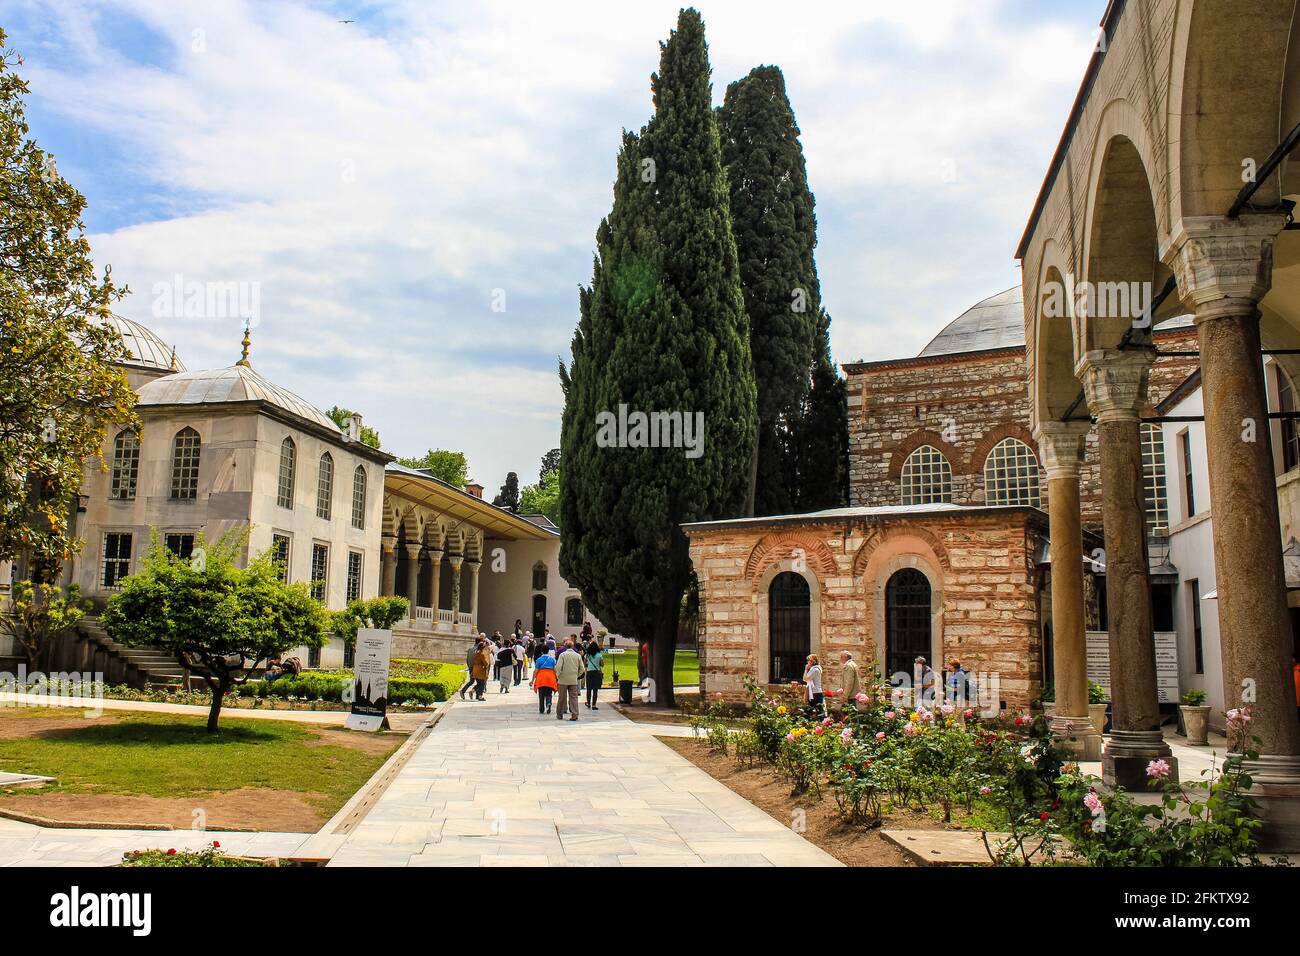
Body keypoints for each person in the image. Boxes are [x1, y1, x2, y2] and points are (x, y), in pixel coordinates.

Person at [554, 637, 583, 721]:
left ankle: (559, 714)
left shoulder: (562, 655)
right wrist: (577, 675)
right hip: (573, 679)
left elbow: (558, 667)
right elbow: (582, 669)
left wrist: (557, 676)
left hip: (563, 680)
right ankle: (574, 714)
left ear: (565, 646)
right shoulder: (577, 656)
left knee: (561, 697)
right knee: (574, 697)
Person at [531, 644, 558, 715]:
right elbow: (555, 670)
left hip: (541, 678)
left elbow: (536, 671)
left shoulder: (539, 660)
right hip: (550, 678)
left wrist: (532, 680)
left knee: (541, 694)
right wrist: (557, 678)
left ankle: (541, 709)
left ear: (541, 652)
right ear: (548, 651)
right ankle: (548, 703)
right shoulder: (552, 660)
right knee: (549, 693)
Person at [459, 634, 485, 701]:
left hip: (471, 667)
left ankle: (466, 691)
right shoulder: (478, 650)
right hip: (475, 668)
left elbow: (467, 659)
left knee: (472, 681)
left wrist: (469, 667)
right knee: (481, 683)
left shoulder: (470, 649)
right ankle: (478, 695)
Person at [584, 636, 604, 709]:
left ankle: (588, 703)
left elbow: (585, 663)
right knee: (595, 689)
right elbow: (602, 664)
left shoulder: (588, 655)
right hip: (597, 673)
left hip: (589, 672)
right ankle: (594, 705)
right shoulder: (599, 655)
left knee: (589, 689)